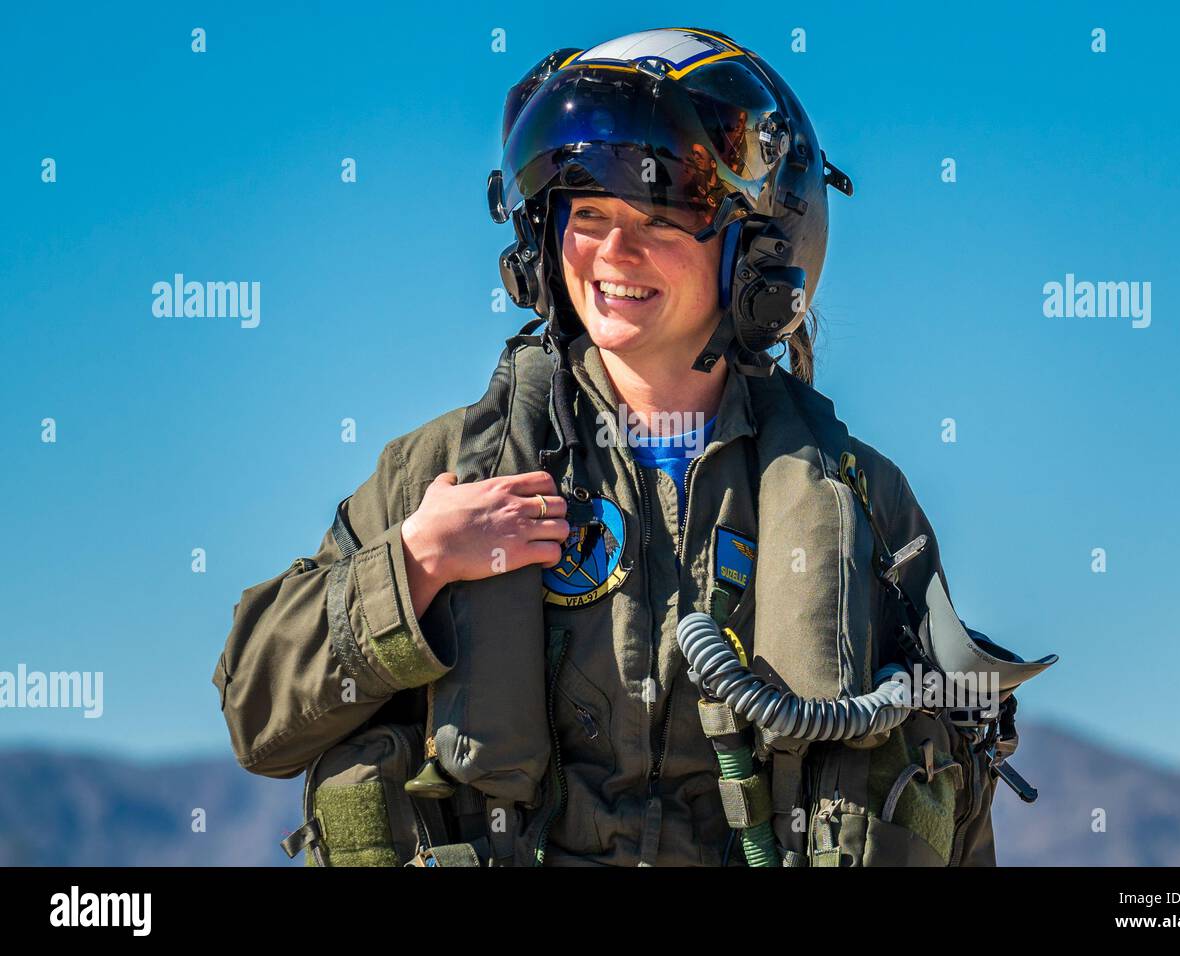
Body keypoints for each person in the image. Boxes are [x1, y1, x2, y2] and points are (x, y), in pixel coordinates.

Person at [213, 26, 1031, 867]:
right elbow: (255, 714)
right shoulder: (441, 473)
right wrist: (414, 564)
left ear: (755, 252)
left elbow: (954, 794)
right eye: (590, 215)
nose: (613, 252)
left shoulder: (861, 503)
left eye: (660, 220)